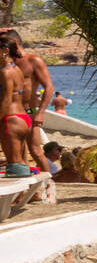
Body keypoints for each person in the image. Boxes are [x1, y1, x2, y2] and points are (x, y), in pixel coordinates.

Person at [3, 30, 51, 173]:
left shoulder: (33, 61)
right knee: (21, 155)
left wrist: (41, 113)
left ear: (14, 43)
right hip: (15, 114)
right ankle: (31, 189)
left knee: (36, 150)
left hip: (30, 112)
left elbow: (49, 87)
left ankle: (49, 186)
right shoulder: (8, 64)